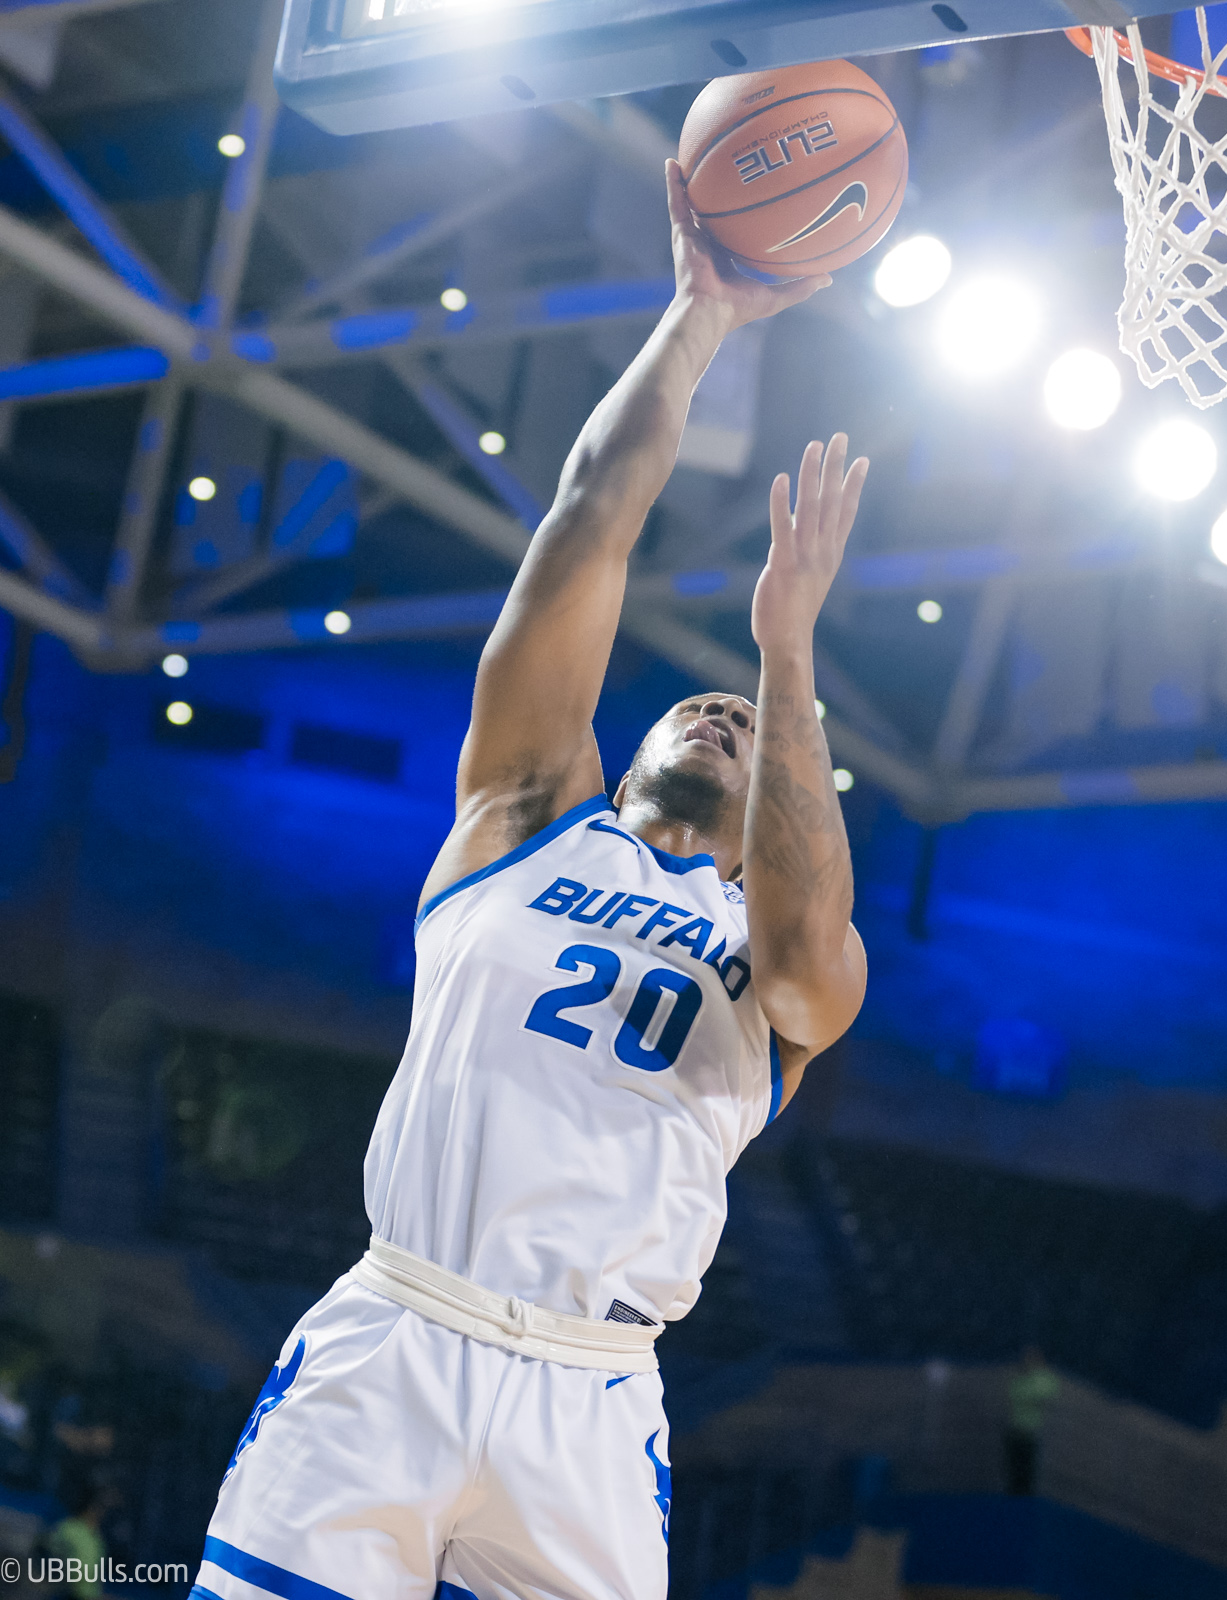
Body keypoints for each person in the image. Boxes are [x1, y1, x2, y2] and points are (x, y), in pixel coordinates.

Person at [188, 162, 869, 1600]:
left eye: (747, 730)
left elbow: (811, 939)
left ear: (783, 803)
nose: (721, 715)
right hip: (399, 1332)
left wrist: (788, 655)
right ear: (619, 756)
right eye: (701, 706)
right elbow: (586, 527)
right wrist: (698, 319)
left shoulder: (782, 956)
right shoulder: (524, 820)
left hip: (593, 1390)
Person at [1004, 1345, 1062, 1496]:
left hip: (1030, 1433)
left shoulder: (1042, 1378)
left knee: (1027, 1472)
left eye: (1032, 1359)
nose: (1028, 1362)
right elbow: (1016, 1394)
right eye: (1027, 1358)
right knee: (1013, 1471)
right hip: (1015, 1430)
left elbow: (1046, 1391)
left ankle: (1024, 1499)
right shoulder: (1020, 1379)